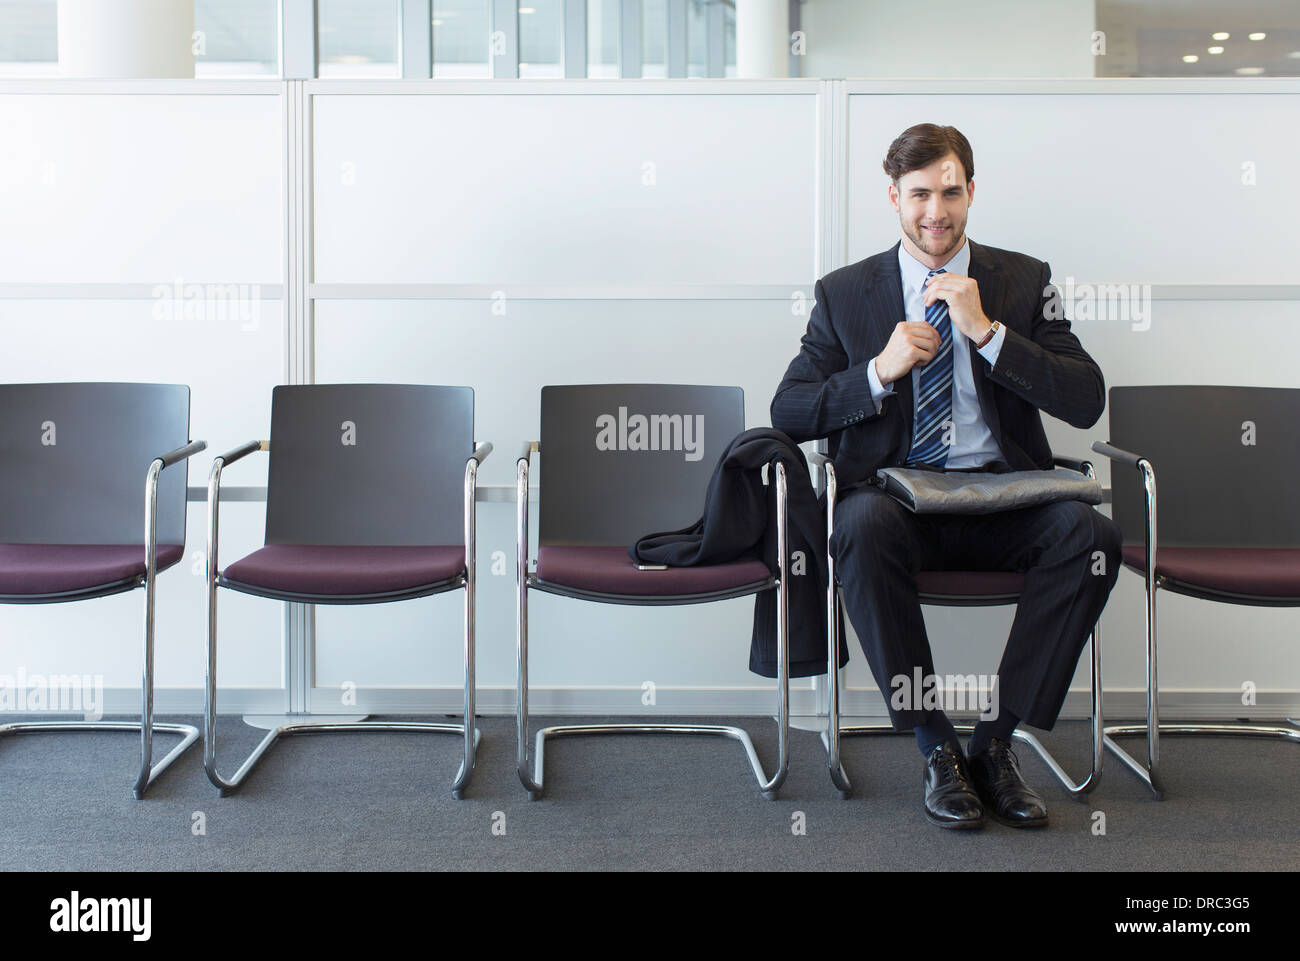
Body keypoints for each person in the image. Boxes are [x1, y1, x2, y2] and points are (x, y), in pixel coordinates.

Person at [770, 123, 1122, 830]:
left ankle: (995, 745)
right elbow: (790, 409)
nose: (937, 210)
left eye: (950, 192)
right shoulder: (844, 294)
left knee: (1091, 536)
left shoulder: (1024, 281)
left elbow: (1087, 398)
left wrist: (989, 333)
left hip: (1005, 501)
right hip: (898, 507)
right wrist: (877, 371)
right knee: (859, 523)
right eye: (921, 193)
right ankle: (937, 747)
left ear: (971, 191)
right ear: (894, 197)